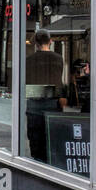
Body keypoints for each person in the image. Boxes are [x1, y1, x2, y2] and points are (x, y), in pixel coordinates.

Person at [24, 28, 67, 161]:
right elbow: (59, 82)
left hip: (33, 105)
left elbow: (26, 84)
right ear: (50, 41)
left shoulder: (29, 60)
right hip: (52, 104)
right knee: (51, 141)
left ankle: (37, 167)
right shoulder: (58, 59)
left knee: (36, 143)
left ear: (36, 43)